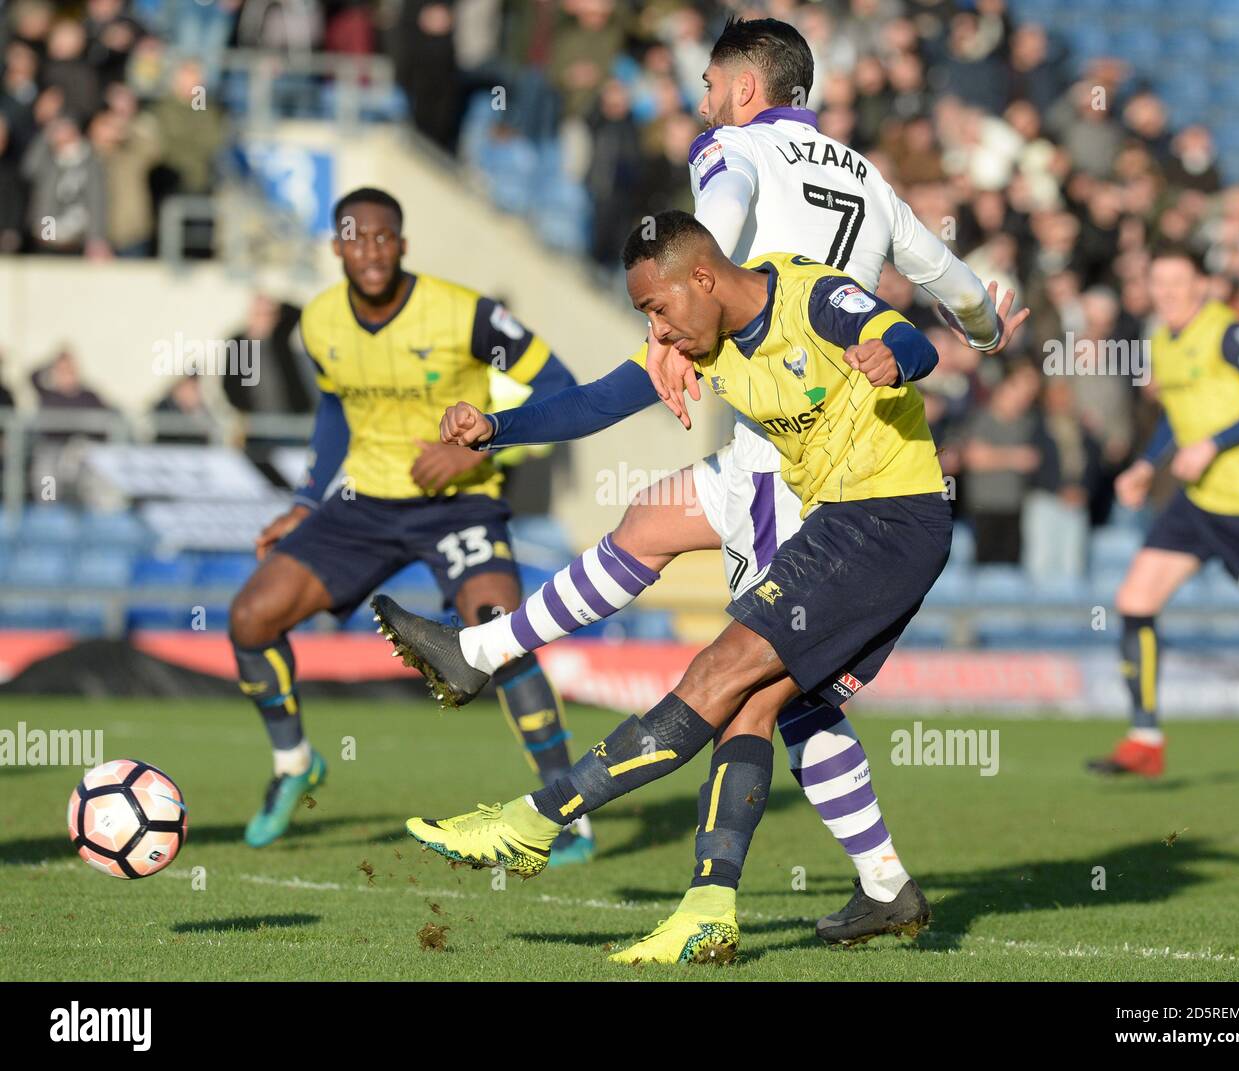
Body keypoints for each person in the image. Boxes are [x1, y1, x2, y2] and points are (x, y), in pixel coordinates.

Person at [378, 14, 1028, 949]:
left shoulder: (728, 157)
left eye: (712, 83)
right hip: (797, 416)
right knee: (657, 534)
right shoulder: (868, 178)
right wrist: (989, 330)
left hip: (809, 455)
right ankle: (482, 657)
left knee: (752, 692)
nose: (701, 98)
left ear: (747, 90)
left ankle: (706, 894)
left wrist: (670, 322)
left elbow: (707, 242)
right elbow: (953, 284)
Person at [375, 214, 955, 964]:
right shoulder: (702, 342)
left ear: (703, 277)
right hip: (841, 527)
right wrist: (495, 426)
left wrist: (893, 356)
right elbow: (597, 402)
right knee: (755, 701)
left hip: (885, 523)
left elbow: (912, 339)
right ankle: (752, 904)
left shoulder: (808, 297)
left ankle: (535, 819)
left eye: (657, 308)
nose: (657, 330)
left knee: (717, 674)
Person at [227, 188, 589, 861]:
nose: (370, 250)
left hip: (460, 500)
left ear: (403, 243)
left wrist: (473, 447)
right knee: (250, 615)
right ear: (336, 247)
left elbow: (557, 383)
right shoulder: (319, 321)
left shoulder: (466, 313)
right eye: (355, 238)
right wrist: (306, 502)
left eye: (383, 236)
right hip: (364, 503)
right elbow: (334, 410)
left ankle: (564, 812)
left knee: (499, 634)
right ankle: (293, 765)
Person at [1091, 245, 1239, 777]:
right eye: (1158, 284)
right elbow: (1175, 418)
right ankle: (1145, 740)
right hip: (1197, 503)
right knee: (1135, 599)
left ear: (1201, 285)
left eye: (1177, 283)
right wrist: (1144, 465)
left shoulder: (1228, 332)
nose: (1167, 294)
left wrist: (1214, 443)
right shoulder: (1160, 338)